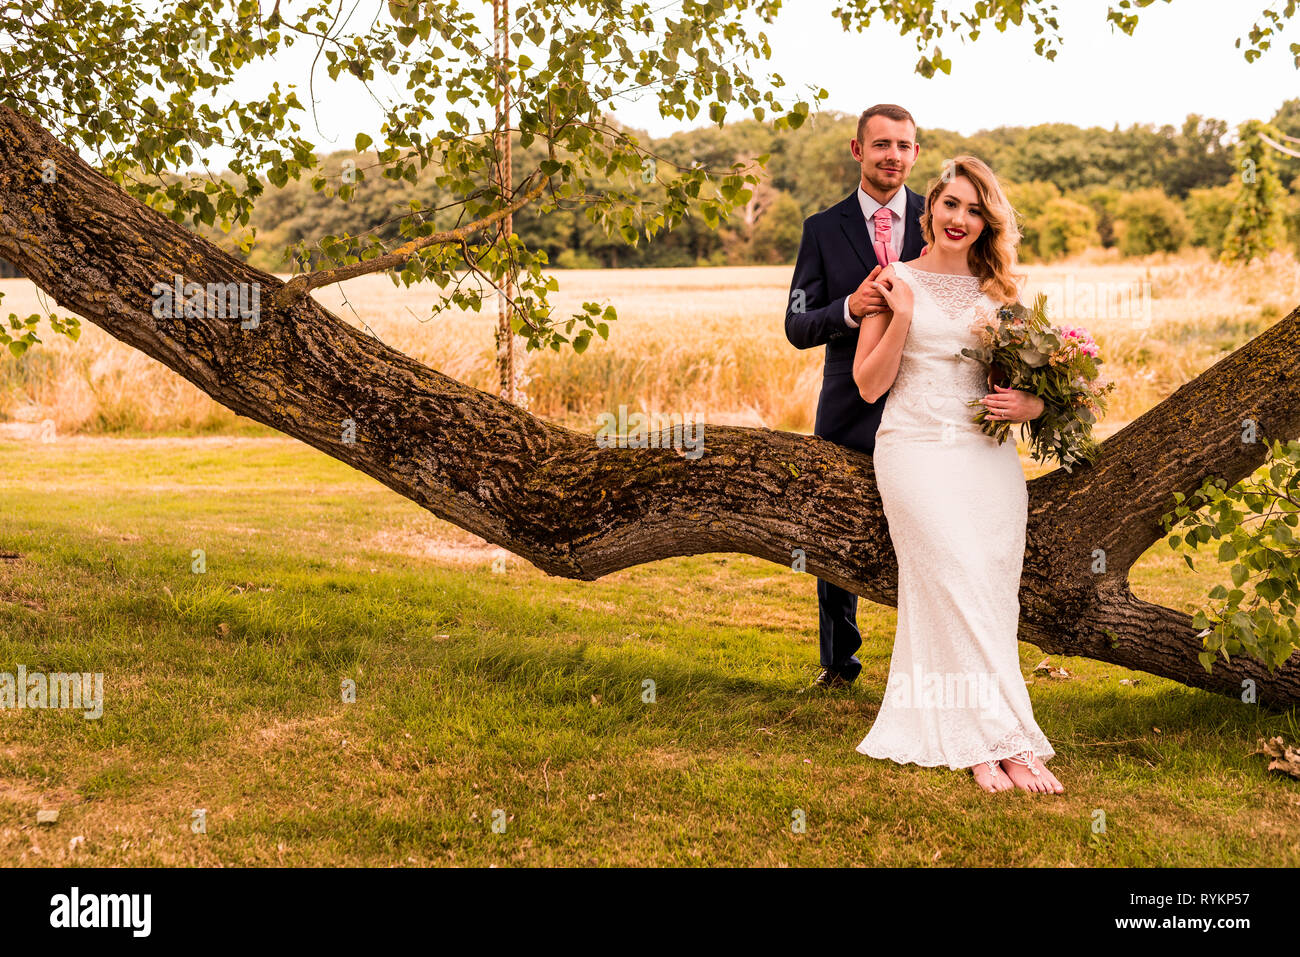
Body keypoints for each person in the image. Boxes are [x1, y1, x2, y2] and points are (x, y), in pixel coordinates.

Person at [851, 154, 1064, 794]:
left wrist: (1035, 404)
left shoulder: (1002, 296)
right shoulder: (891, 280)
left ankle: (999, 734)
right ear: (931, 206)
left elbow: (1042, 383)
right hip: (915, 448)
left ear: (987, 222)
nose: (961, 219)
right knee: (952, 576)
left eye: (976, 210)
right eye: (952, 204)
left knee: (990, 592)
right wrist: (905, 316)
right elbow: (867, 386)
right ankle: (990, 742)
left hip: (987, 458)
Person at [784, 103, 926, 691]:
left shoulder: (939, 216)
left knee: (926, 523)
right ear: (857, 150)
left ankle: (928, 665)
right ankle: (839, 663)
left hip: (925, 397)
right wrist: (849, 309)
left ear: (916, 154)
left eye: (904, 145)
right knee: (834, 526)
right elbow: (797, 324)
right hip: (848, 402)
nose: (893, 155)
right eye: (882, 144)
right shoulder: (822, 227)